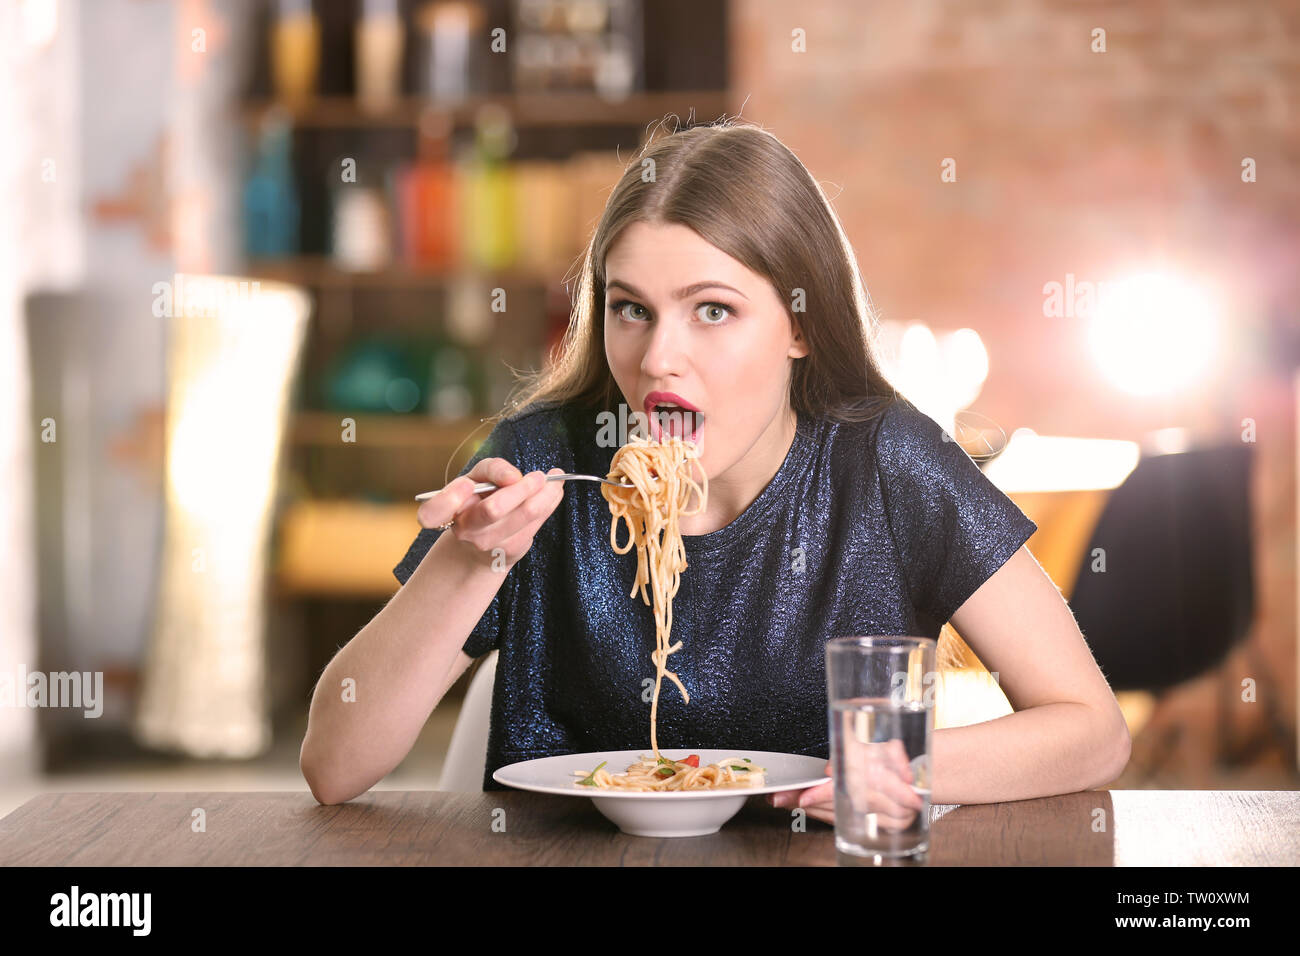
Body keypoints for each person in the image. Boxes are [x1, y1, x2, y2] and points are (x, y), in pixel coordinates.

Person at [300, 118, 1131, 823]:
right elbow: (333, 769)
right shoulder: (542, 461)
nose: (660, 358)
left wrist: (895, 764)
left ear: (801, 326)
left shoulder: (888, 465)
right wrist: (467, 560)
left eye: (713, 310)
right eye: (632, 309)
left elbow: (1093, 730)